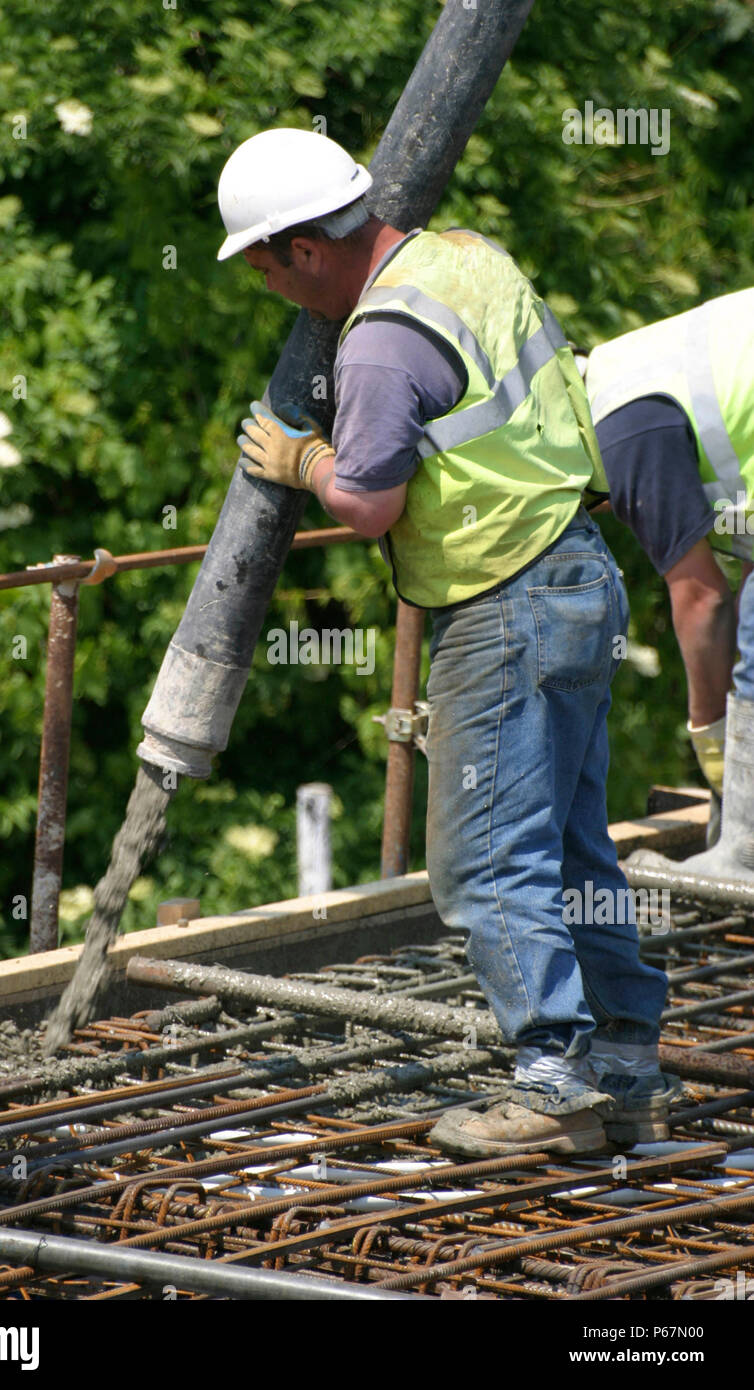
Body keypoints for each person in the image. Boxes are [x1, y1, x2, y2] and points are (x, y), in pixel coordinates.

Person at [218, 127, 674, 1156]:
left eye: (261, 262)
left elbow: (370, 504)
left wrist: (304, 461)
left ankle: (552, 1086)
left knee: (480, 859)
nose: (265, 285)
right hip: (576, 575)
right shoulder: (467, 257)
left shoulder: (376, 342)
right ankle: (627, 1062)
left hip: (500, 599)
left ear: (303, 245)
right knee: (568, 844)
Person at [578, 290, 754, 880]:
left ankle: (745, 856)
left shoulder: (619, 427)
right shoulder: (628, 371)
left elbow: (702, 598)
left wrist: (708, 724)